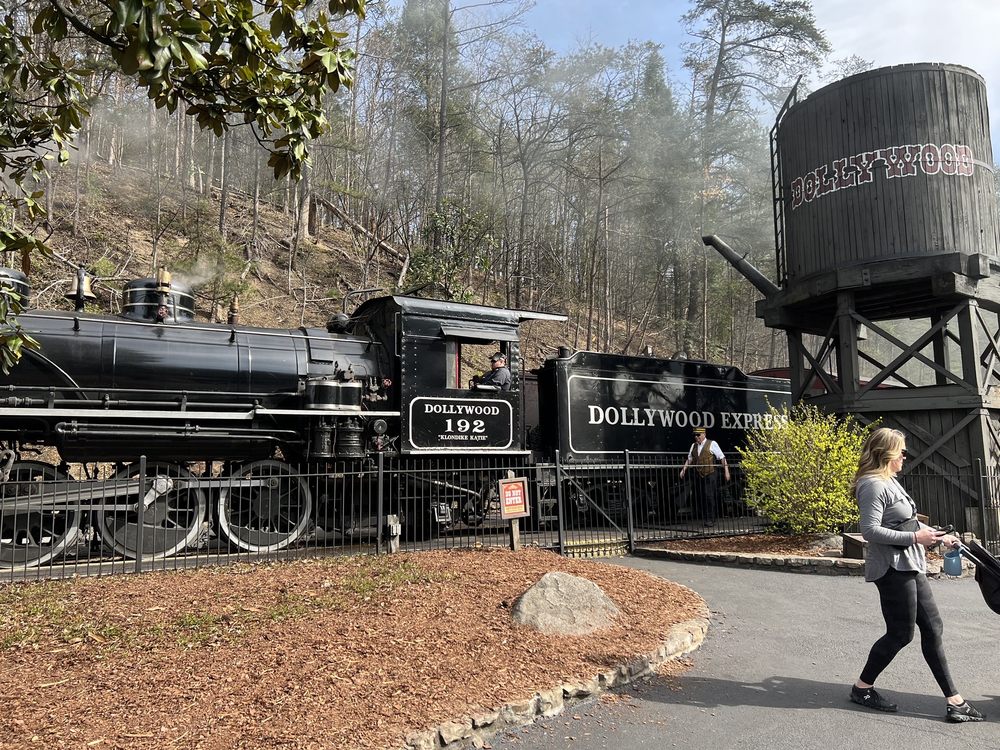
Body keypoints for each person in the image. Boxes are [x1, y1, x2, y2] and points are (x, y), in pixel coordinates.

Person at [849, 427, 983, 722]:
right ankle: (862, 688)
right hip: (892, 569)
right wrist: (916, 539)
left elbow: (907, 525)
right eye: (901, 451)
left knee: (933, 628)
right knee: (900, 634)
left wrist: (936, 537)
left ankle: (955, 701)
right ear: (886, 454)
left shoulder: (889, 481)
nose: (904, 456)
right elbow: (869, 531)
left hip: (909, 564)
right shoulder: (872, 484)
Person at [679, 427, 730, 525]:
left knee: (709, 496)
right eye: (695, 435)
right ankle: (706, 517)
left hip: (710, 474)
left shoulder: (712, 443)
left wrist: (726, 471)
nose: (696, 437)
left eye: (698, 435)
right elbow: (689, 459)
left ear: (704, 434)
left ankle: (710, 519)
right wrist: (683, 469)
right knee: (700, 496)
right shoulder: (693, 446)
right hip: (699, 475)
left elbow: (722, 457)